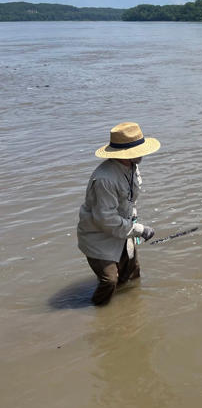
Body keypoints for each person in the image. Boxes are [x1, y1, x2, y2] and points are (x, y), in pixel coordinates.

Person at [77, 122, 160, 306]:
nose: (143, 153)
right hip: (98, 236)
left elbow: (130, 200)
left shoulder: (132, 167)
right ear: (125, 154)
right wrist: (139, 229)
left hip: (123, 230)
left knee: (133, 271)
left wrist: (134, 223)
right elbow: (105, 219)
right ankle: (98, 310)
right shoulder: (105, 179)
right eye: (139, 150)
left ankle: (126, 311)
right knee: (109, 280)